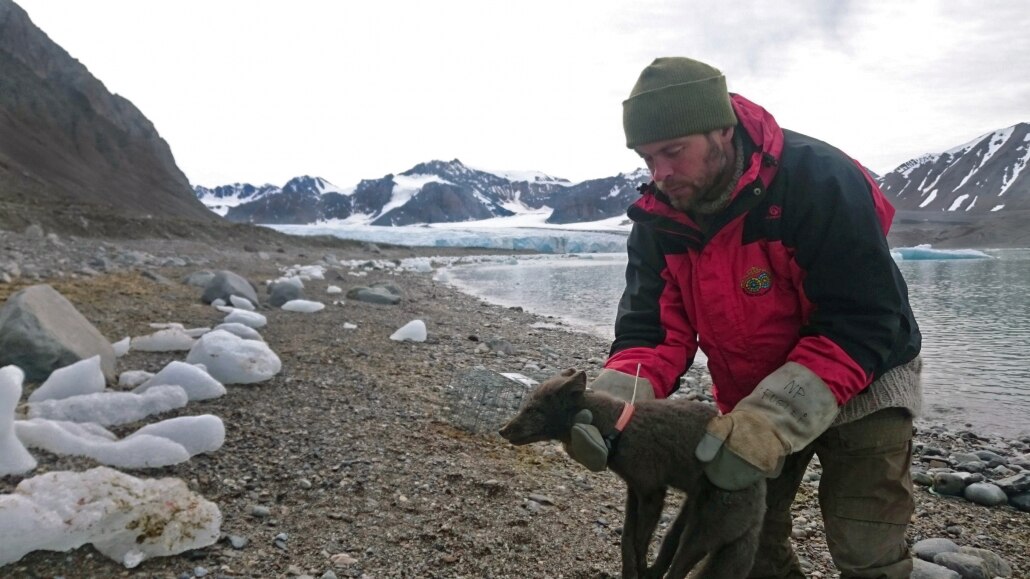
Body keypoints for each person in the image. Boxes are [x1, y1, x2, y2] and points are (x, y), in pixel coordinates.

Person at [567, 57, 922, 578]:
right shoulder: (660, 218)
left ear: (721, 130)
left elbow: (862, 321)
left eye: (673, 152)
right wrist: (609, 407)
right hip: (750, 393)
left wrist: (769, 422)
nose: (660, 174)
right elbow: (652, 332)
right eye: (647, 158)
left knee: (867, 548)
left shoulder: (819, 181)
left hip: (868, 380)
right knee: (745, 538)